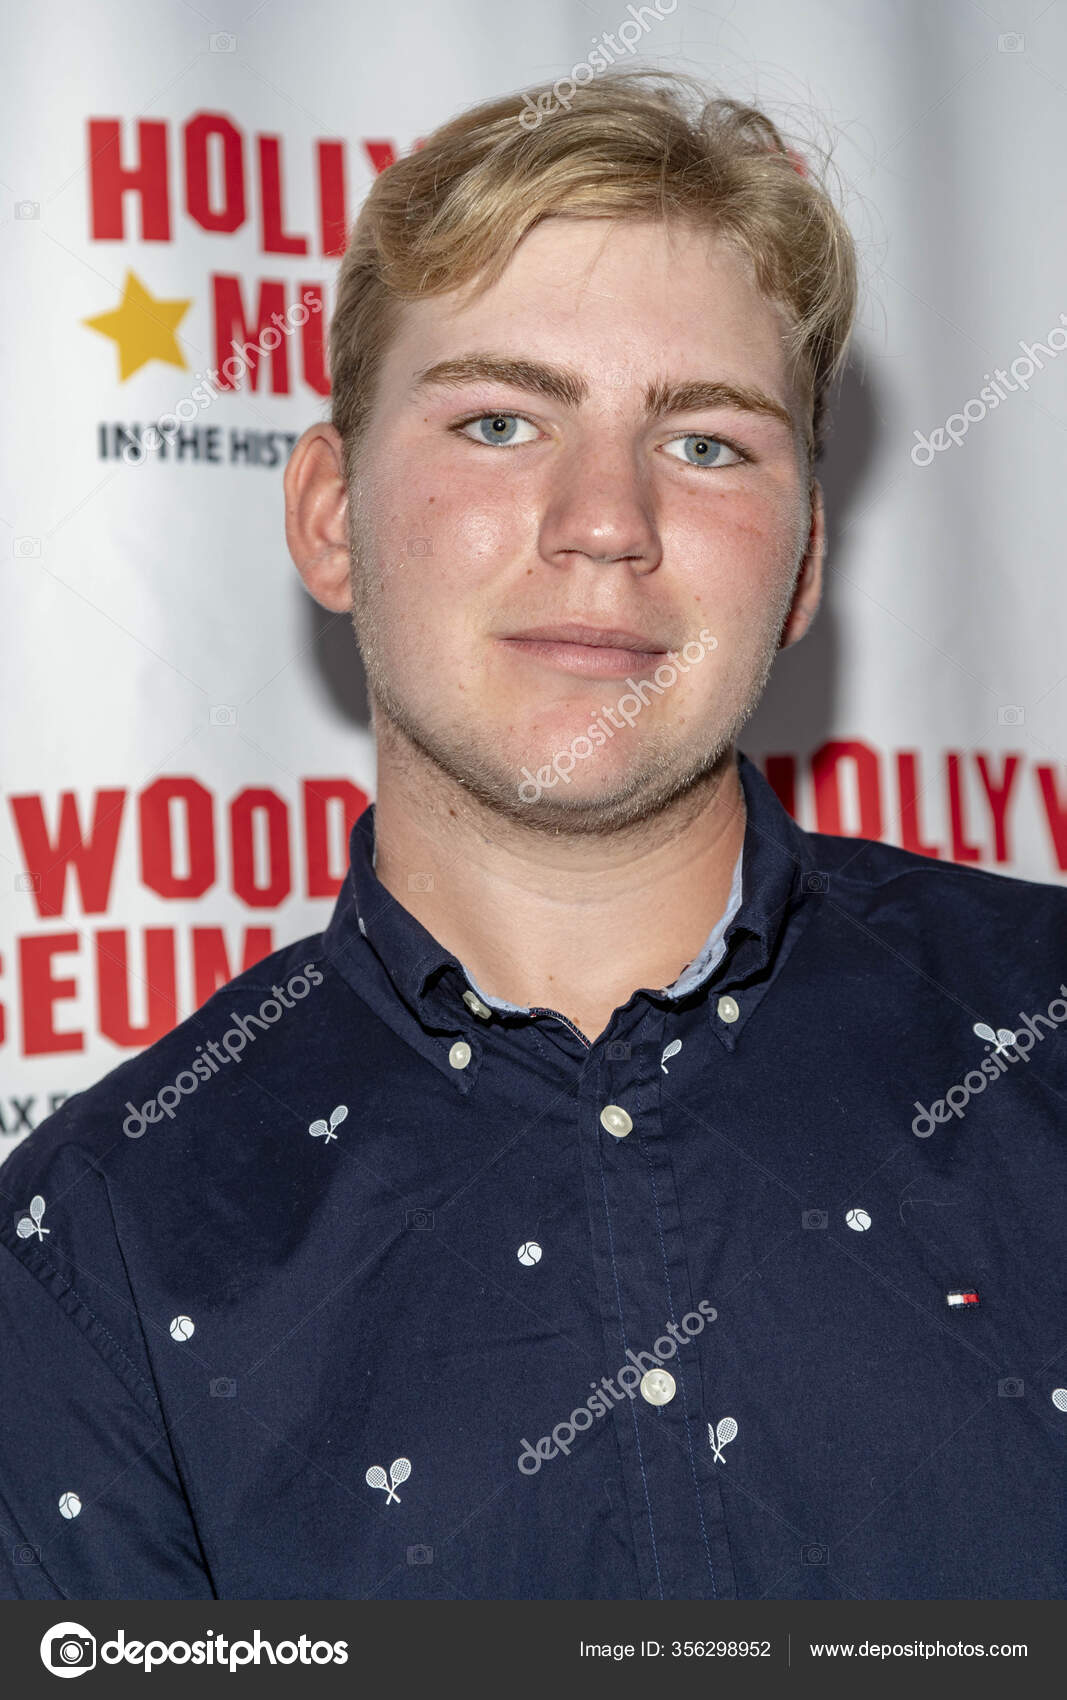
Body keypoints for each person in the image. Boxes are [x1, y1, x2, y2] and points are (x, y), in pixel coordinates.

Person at [2, 68, 1064, 1603]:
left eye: (705, 443)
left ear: (806, 561)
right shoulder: (92, 1252)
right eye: (500, 421)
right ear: (327, 516)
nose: (605, 518)